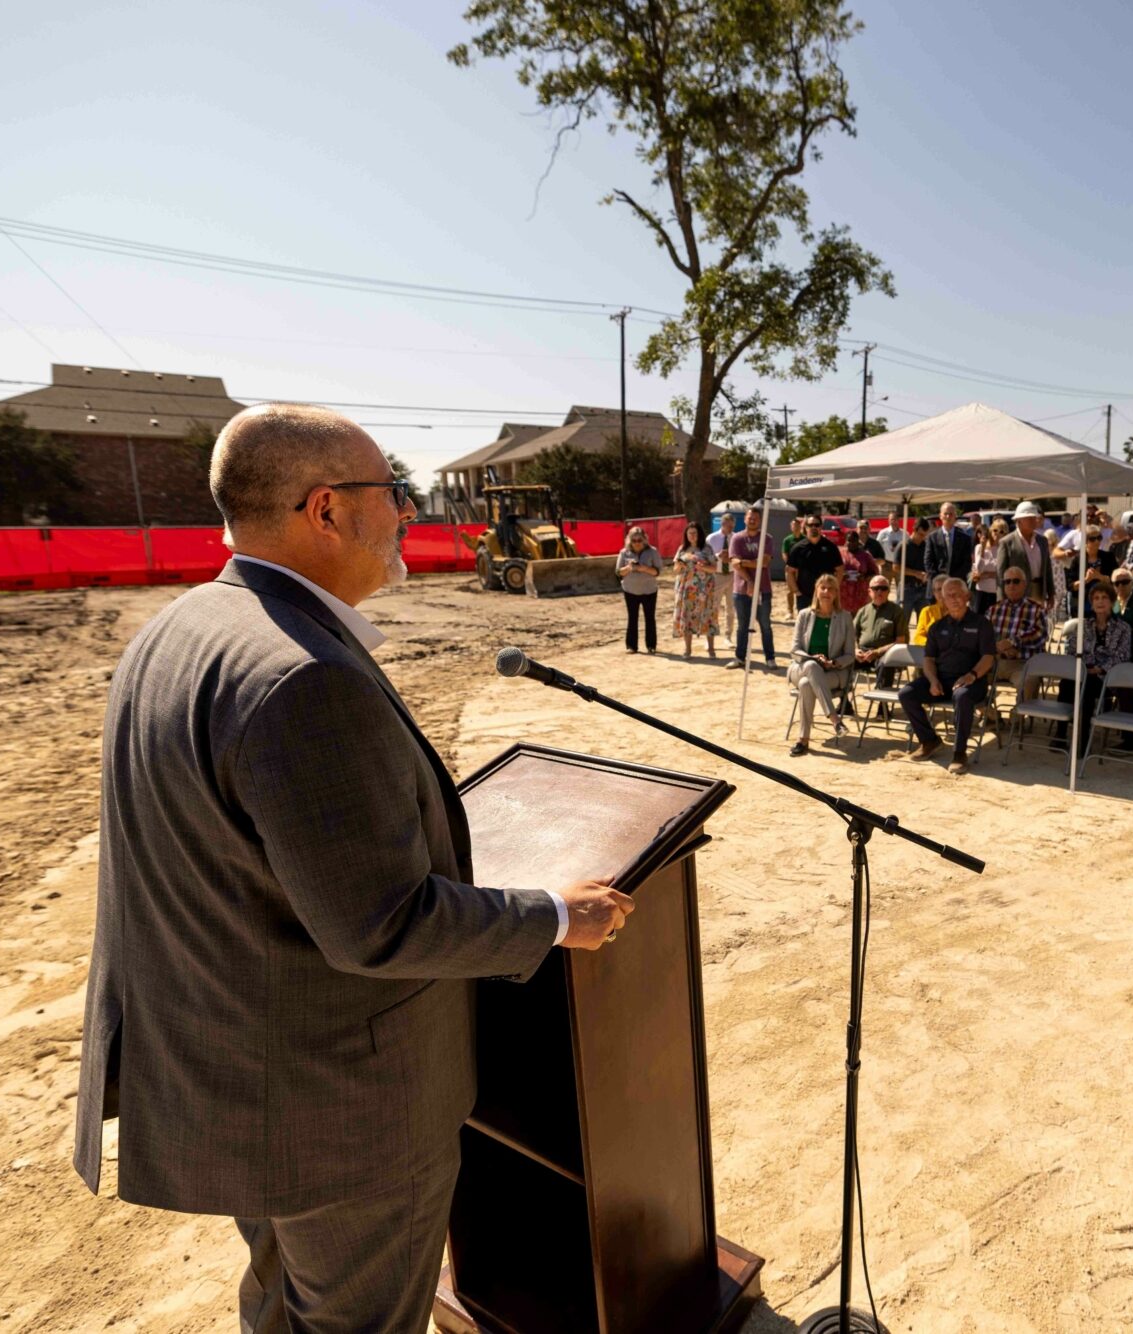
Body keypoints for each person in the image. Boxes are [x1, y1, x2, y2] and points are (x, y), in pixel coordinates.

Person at [78, 404, 632, 1334]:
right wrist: (552, 915)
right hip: (334, 1117)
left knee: (285, 1305)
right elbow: (382, 925)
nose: (409, 514)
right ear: (326, 509)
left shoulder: (179, 629)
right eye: (394, 493)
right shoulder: (304, 677)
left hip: (238, 1078)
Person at [896, 576, 997, 774]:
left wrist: (972, 675)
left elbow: (988, 657)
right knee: (906, 694)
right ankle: (929, 740)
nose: (953, 599)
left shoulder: (981, 624)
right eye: (948, 595)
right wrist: (932, 680)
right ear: (942, 599)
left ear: (967, 596)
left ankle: (959, 753)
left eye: (957, 594)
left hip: (972, 682)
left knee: (962, 696)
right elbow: (929, 660)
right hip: (941, 680)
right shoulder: (937, 627)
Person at [1061, 579, 1132, 755]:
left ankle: (1082, 743)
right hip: (1084, 670)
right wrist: (1084, 666)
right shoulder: (1083, 626)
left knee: (1087, 689)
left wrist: (1100, 668)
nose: (1100, 601)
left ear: (1112, 602)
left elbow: (1122, 656)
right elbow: (1070, 649)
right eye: (1096, 598)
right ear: (1091, 603)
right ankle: (1060, 735)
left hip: (1108, 677)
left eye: (1105, 598)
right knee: (1066, 684)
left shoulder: (1123, 627)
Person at [787, 574, 853, 756]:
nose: (826, 592)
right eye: (822, 587)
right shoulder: (804, 615)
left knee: (806, 685)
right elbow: (794, 649)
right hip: (800, 668)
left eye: (831, 589)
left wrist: (834, 662)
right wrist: (813, 658)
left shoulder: (845, 617)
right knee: (811, 667)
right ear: (816, 591)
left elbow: (850, 655)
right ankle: (835, 719)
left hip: (832, 674)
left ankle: (803, 740)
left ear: (836, 594)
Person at [729, 505, 778, 668]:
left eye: (756, 518)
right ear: (745, 519)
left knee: (765, 625)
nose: (752, 520)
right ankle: (740, 657)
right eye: (750, 517)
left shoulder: (767, 538)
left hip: (763, 589)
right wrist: (750, 581)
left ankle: (770, 658)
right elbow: (734, 564)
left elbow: (764, 562)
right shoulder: (737, 538)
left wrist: (743, 561)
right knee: (742, 625)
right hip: (741, 590)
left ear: (760, 521)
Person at [986, 565, 1049, 679]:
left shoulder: (1037, 609)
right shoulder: (993, 609)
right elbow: (983, 636)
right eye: (1007, 582)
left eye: (1016, 581)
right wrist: (1002, 649)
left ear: (1024, 584)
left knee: (1029, 682)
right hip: (995, 662)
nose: (1011, 585)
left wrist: (1012, 642)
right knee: (970, 676)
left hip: (1024, 664)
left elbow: (1041, 636)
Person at [670, 520, 719, 658]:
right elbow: (675, 569)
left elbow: (714, 568)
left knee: (708, 616)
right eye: (689, 533)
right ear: (686, 534)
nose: (692, 536)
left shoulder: (707, 548)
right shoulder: (682, 549)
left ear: (699, 534)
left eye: (694, 533)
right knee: (687, 617)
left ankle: (711, 649)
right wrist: (681, 565)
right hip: (686, 589)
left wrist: (701, 566)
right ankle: (688, 650)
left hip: (705, 589)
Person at [996, 501, 1057, 611]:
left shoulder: (1042, 541)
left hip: (1039, 593)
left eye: (1034, 517)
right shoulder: (1007, 542)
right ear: (1019, 520)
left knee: (1038, 624)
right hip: (1016, 595)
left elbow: (1047, 569)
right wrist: (1001, 601)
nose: (1034, 521)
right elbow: (1000, 575)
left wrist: (1051, 594)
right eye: (1029, 518)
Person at [616, 525, 663, 654]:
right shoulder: (624, 552)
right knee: (632, 617)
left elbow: (658, 572)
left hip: (649, 590)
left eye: (639, 540)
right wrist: (628, 568)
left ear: (644, 540)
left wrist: (644, 568)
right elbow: (618, 572)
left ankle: (651, 645)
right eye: (634, 540)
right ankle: (631, 646)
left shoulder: (652, 551)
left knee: (650, 617)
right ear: (629, 541)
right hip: (630, 590)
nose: (637, 543)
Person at [785, 515, 843, 613]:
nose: (813, 527)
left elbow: (840, 570)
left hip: (826, 596)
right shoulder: (797, 548)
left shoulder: (831, 548)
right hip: (804, 597)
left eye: (817, 525)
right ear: (805, 527)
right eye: (810, 525)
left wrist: (834, 590)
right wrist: (797, 592)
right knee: (805, 627)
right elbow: (789, 571)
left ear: (821, 527)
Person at [851, 574, 908, 671]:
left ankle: (882, 687)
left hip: (886, 653)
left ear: (888, 591)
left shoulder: (897, 611)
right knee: (844, 661)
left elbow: (900, 641)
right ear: (869, 591)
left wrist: (877, 652)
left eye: (883, 588)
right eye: (876, 588)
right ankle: (844, 686)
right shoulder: (863, 611)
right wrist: (855, 650)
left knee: (886, 662)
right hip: (863, 653)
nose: (879, 591)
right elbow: (851, 635)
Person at [926, 501, 975, 602]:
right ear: (940, 516)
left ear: (955, 516)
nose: (948, 516)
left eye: (951, 514)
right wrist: (940, 580)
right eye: (945, 514)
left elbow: (967, 563)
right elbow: (928, 561)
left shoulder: (965, 538)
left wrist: (952, 580)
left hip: (957, 585)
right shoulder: (932, 537)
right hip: (937, 587)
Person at [707, 510, 739, 638]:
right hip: (716, 575)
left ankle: (728, 636)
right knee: (713, 607)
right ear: (723, 523)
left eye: (733, 526)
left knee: (730, 608)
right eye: (729, 525)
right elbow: (705, 557)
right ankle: (711, 635)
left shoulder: (736, 537)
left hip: (732, 575)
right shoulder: (711, 538)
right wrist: (717, 556)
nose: (731, 528)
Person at [970, 516, 1008, 614]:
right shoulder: (979, 547)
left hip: (997, 592)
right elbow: (978, 569)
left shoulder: (1004, 550)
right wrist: (983, 549)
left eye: (1002, 531)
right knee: (979, 621)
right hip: (981, 592)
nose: (998, 533)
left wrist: (985, 575)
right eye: (995, 530)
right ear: (991, 530)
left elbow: (1004, 573)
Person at [837, 526, 879, 614]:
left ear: (858, 541)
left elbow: (875, 573)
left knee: (859, 623)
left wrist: (865, 577)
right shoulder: (839, 554)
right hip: (843, 596)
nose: (851, 543)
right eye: (849, 540)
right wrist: (841, 575)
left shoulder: (866, 556)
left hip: (861, 596)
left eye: (854, 541)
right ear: (846, 541)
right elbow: (832, 571)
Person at [898, 518, 932, 618]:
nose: (923, 538)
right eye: (921, 535)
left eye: (925, 535)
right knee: (903, 622)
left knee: (924, 622)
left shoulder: (926, 546)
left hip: (923, 589)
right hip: (907, 588)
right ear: (914, 530)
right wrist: (915, 573)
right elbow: (896, 567)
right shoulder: (904, 546)